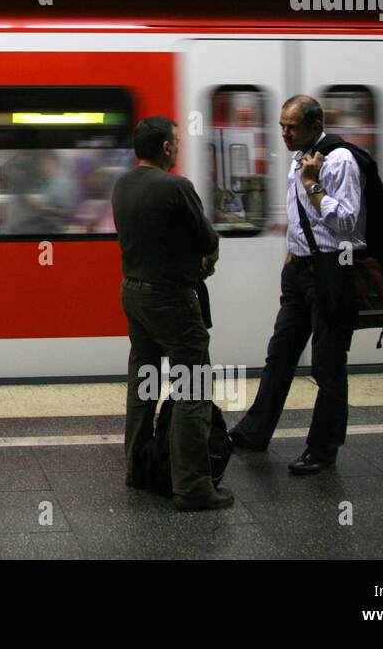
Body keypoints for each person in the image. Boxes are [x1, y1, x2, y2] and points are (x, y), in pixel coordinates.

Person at [229, 95, 364, 474]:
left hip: (332, 273)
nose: (284, 134)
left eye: (292, 127)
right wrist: (292, 253)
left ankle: (323, 449)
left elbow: (347, 224)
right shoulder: (298, 159)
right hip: (300, 272)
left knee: (328, 365)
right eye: (282, 126)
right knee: (281, 355)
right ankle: (255, 431)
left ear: (316, 127)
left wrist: (312, 185)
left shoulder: (339, 161)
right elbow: (303, 219)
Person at [113, 116, 229, 511]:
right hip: (171, 298)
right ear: (165, 148)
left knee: (143, 382)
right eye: (176, 142)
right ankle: (192, 485)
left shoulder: (122, 185)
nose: (178, 147)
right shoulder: (177, 187)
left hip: (133, 292)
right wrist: (205, 260)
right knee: (192, 387)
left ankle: (137, 469)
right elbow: (207, 238)